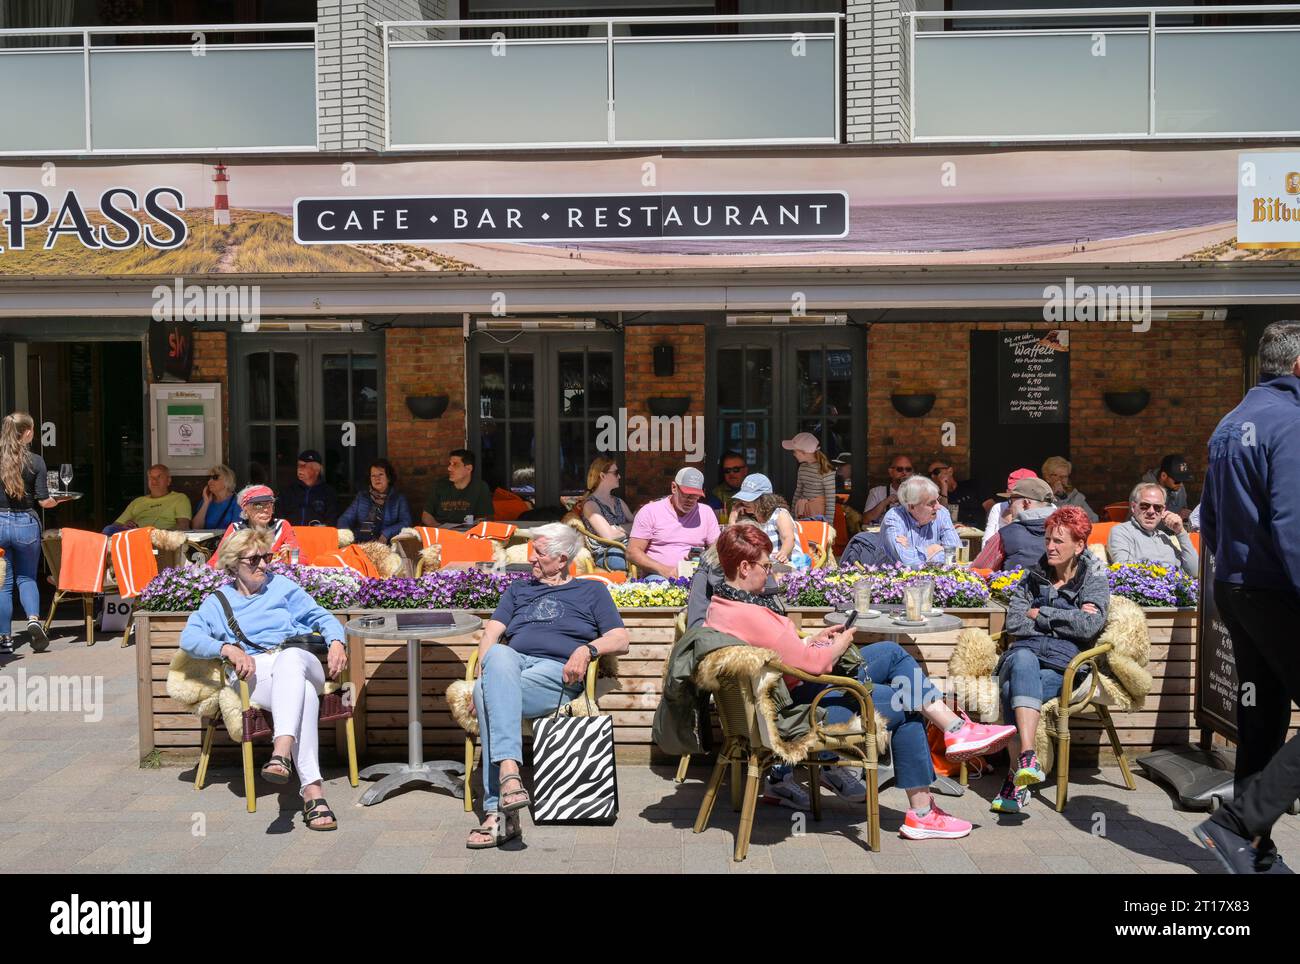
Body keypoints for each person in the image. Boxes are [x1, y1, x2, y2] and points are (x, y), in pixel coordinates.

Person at [704, 525, 1015, 837]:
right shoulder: (754, 614)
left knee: (892, 653)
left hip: (781, 700)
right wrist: (836, 646)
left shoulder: (721, 608)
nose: (769, 573)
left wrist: (814, 640)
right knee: (908, 704)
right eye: (765, 566)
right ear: (744, 567)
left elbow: (785, 656)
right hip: (802, 714)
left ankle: (953, 732)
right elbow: (814, 666)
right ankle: (926, 805)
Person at [1196, 321, 1300, 874]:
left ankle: (1251, 853)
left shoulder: (1230, 423)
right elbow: (1293, 522)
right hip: (1276, 590)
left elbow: (1208, 519)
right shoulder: (1292, 421)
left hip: (1235, 587)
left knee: (1261, 715)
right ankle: (1237, 823)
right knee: (1263, 715)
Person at [468, 523, 630, 848]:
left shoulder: (591, 591)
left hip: (555, 672)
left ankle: (496, 813)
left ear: (561, 559)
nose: (531, 559)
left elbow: (621, 638)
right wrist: (483, 676)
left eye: (539, 554)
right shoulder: (517, 590)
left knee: (485, 697)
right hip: (511, 667)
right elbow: (490, 634)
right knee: (498, 655)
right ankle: (510, 772)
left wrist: (587, 649)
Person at [180, 526, 347, 830]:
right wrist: (226, 647)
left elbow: (321, 616)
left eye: (266, 557)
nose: (263, 565)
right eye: (253, 560)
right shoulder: (218, 601)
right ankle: (313, 794)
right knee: (306, 697)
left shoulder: (282, 587)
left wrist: (336, 641)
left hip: (299, 658)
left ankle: (280, 752)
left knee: (290, 659)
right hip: (258, 673)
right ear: (233, 565)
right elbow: (189, 638)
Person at [992, 506, 1109, 814]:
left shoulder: (1093, 579)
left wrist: (1041, 613)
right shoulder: (1033, 576)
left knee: (1009, 692)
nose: (1051, 547)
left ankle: (1014, 778)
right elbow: (1015, 622)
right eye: (1047, 540)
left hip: (1063, 666)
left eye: (1059, 541)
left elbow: (1090, 626)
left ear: (1079, 545)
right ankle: (1029, 757)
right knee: (1024, 660)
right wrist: (1067, 619)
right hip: (1023, 654)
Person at [0, 413, 58, 655]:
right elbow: (44, 501)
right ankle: (33, 619)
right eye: (32, 430)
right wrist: (58, 500)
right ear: (25, 433)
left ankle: (5, 639)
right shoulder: (36, 461)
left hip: (0, 523)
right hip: (26, 525)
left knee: (3, 585)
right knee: (27, 578)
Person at [627, 467, 720, 580]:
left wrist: (702, 560)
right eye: (687, 494)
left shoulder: (706, 512)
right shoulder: (650, 511)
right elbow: (632, 552)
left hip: (696, 574)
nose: (691, 500)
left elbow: (717, 552)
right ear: (674, 488)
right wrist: (664, 570)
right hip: (658, 576)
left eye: (696, 496)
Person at [1106, 482, 1198, 576]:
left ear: (1163, 511)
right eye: (1145, 506)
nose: (1151, 511)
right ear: (1133, 507)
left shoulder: (1164, 537)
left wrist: (1180, 532)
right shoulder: (1121, 532)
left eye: (1157, 507)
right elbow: (1125, 571)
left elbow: (1195, 572)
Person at [972, 477, 1057, 571]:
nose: (1009, 508)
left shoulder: (1006, 534)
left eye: (1010, 501)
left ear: (1025, 503)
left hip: (1017, 585)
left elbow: (978, 570)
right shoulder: (1065, 530)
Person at [208, 485, 299, 569]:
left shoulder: (282, 525)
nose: (266, 509)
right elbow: (216, 560)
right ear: (245, 510)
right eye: (258, 505)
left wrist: (291, 557)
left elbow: (300, 558)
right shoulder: (235, 529)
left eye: (269, 504)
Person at [880, 475, 961, 566]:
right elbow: (904, 561)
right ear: (912, 506)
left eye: (937, 500)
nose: (938, 506)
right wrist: (933, 549)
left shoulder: (941, 513)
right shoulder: (894, 518)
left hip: (936, 577)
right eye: (931, 503)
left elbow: (955, 555)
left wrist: (911, 550)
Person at [727, 473, 799, 565]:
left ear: (764, 499)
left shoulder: (780, 514)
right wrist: (732, 519)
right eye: (743, 499)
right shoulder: (750, 520)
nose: (744, 502)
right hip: (764, 567)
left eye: (749, 499)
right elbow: (734, 542)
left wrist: (783, 553)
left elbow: (788, 538)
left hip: (787, 565)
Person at [336, 458, 412, 543]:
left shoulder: (398, 499)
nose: (377, 478)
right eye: (373, 475)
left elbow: (406, 522)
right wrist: (346, 535)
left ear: (389, 478)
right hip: (360, 542)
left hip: (386, 544)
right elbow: (345, 518)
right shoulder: (362, 497)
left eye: (380, 474)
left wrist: (387, 533)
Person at [579, 456, 633, 571]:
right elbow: (609, 537)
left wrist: (616, 528)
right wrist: (626, 529)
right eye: (616, 473)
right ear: (602, 476)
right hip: (608, 552)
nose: (619, 476)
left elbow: (638, 526)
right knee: (627, 560)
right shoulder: (591, 505)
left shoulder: (618, 502)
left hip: (627, 546)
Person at [104, 464, 192, 535]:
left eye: (159, 477)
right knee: (108, 529)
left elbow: (183, 526)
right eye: (151, 477)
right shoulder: (138, 501)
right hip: (135, 536)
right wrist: (125, 525)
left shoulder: (179, 498)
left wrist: (158, 533)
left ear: (168, 480)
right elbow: (115, 525)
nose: (154, 480)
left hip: (162, 539)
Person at [422, 449, 494, 525]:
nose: (449, 468)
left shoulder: (480, 487)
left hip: (468, 533)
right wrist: (439, 529)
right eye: (450, 464)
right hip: (441, 531)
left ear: (469, 469)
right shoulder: (440, 485)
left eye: (455, 464)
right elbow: (426, 516)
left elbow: (486, 518)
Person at [783, 432, 836, 520]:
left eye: (795, 451)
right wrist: (792, 516)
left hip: (818, 514)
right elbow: (798, 491)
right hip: (802, 512)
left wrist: (829, 524)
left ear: (804, 452)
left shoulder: (826, 470)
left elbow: (830, 500)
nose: (793, 454)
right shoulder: (802, 467)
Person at [279, 450, 338, 527]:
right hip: (291, 536)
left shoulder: (328, 492)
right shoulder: (288, 491)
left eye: (304, 466)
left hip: (317, 536)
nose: (299, 469)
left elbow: (332, 521)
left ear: (317, 470)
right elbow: (279, 518)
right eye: (298, 465)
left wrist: (323, 527)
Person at [982, 468, 1038, 545]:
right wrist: (1004, 525)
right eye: (1010, 497)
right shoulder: (999, 508)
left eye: (1015, 496)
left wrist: (1012, 525)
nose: (1011, 504)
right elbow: (986, 545)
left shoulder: (1049, 509)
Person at [1040, 456, 1098, 523]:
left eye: (1065, 476)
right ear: (1047, 477)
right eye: (1059, 476)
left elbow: (1094, 519)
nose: (1062, 480)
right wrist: (1052, 495)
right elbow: (1039, 517)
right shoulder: (1040, 496)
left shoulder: (1076, 497)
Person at [862, 454, 914, 526]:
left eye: (908, 469)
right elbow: (866, 520)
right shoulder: (877, 492)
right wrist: (885, 502)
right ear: (890, 472)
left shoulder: (919, 493)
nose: (904, 473)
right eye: (900, 469)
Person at [927, 458, 981, 526]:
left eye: (936, 472)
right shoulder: (935, 495)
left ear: (950, 471)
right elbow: (941, 516)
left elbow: (989, 507)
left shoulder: (971, 486)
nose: (932, 476)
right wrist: (944, 487)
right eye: (930, 474)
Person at [1140, 453, 1192, 522]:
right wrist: (1177, 516)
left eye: (1182, 480)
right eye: (1177, 481)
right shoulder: (1144, 491)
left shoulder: (1178, 487)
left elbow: (1183, 509)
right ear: (1163, 476)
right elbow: (1144, 522)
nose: (1181, 484)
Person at [191, 464, 240, 531]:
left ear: (227, 480)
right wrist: (206, 503)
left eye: (215, 477)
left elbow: (237, 530)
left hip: (229, 540)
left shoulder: (237, 501)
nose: (209, 482)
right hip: (208, 540)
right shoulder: (206, 501)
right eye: (209, 478)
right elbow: (196, 528)